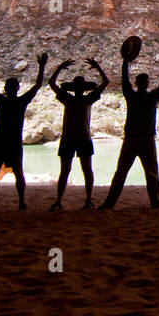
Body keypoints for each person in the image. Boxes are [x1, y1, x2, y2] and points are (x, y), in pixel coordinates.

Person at [98, 48, 159, 211]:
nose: (146, 82)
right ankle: (155, 202)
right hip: (143, 140)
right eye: (145, 80)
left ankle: (110, 203)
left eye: (145, 80)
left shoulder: (132, 96)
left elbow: (125, 81)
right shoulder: (150, 97)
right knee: (149, 172)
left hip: (133, 139)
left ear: (137, 84)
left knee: (123, 172)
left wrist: (125, 61)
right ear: (143, 83)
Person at [0, 50, 47, 211]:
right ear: (17, 88)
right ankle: (22, 202)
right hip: (14, 143)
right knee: (18, 173)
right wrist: (41, 67)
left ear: (5, 88)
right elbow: (37, 86)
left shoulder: (0, 100)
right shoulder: (21, 101)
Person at [49, 57, 108, 211]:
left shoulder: (72, 98)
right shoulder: (83, 99)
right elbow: (105, 83)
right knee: (79, 170)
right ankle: (66, 200)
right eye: (78, 85)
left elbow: (106, 83)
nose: (79, 87)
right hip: (79, 139)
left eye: (80, 85)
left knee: (78, 170)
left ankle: (81, 200)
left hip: (73, 139)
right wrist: (60, 66)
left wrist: (61, 67)